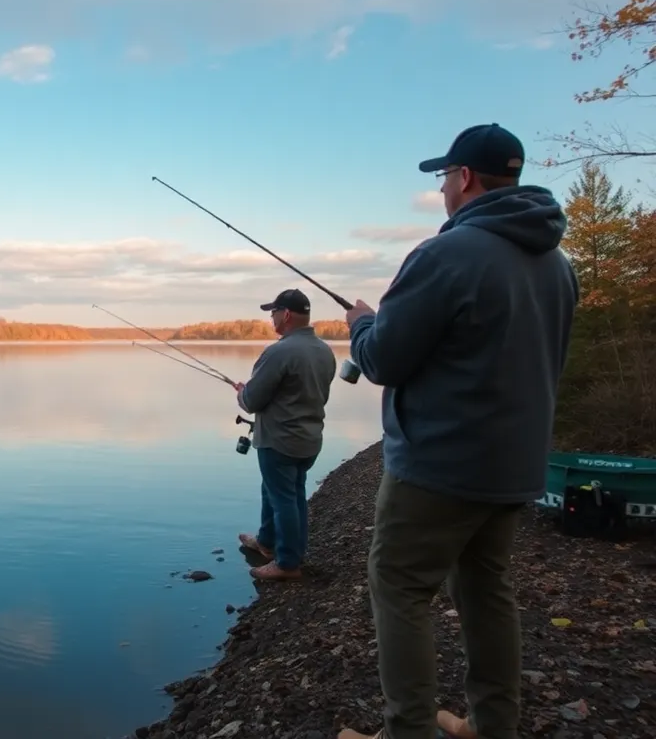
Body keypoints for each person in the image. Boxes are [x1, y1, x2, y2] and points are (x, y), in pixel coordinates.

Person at [337, 124, 580, 739]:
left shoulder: (445, 253)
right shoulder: (559, 264)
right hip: (516, 463)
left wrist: (364, 325)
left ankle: (406, 730)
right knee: (487, 589)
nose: (444, 188)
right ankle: (495, 725)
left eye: (444, 176)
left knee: (399, 587)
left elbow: (385, 360)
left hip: (440, 467)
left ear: (464, 178)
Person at [233, 287, 337, 582]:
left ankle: (288, 562)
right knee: (285, 491)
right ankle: (266, 542)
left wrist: (242, 392)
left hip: (279, 442)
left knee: (284, 499)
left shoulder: (279, 352)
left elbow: (252, 401)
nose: (272, 318)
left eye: (274, 313)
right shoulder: (324, 350)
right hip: (309, 439)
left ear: (286, 314)